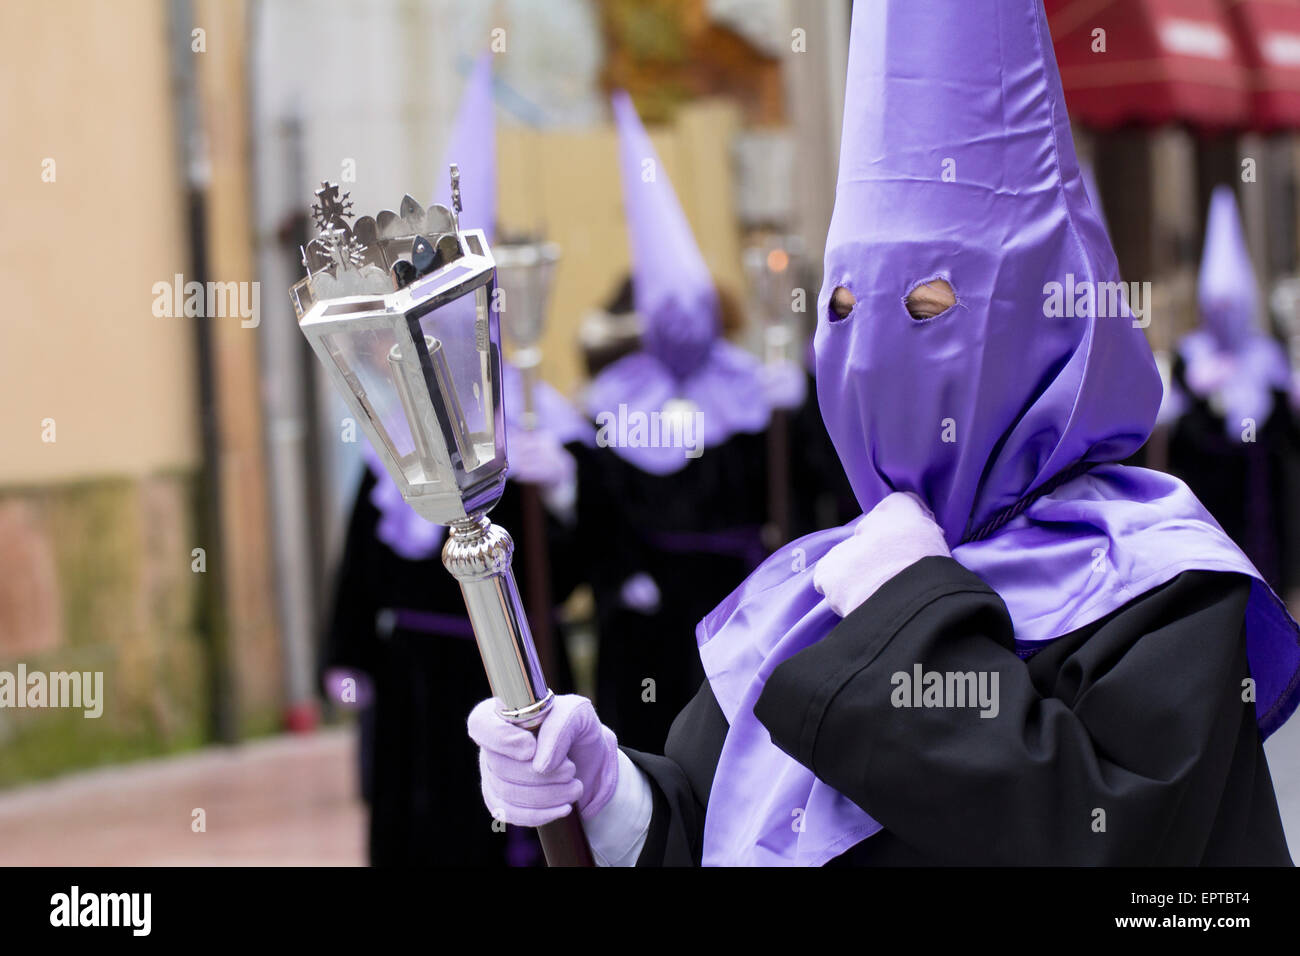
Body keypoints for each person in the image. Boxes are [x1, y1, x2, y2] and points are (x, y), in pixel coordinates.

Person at [467, 0, 1300, 866]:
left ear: (1036, 328)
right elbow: (717, 822)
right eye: (844, 306)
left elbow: (1104, 846)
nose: (874, 348)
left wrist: (913, 604)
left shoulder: (1158, 591)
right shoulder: (809, 593)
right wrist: (614, 801)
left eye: (926, 306)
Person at [321, 54, 591, 866]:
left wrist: (565, 489)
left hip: (511, 660)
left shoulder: (535, 419)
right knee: (425, 821)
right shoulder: (391, 433)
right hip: (417, 674)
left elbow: (575, 568)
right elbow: (362, 565)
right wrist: (348, 658)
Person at [572, 91, 774, 754]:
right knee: (659, 743)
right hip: (652, 614)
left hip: (743, 594)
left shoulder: (754, 394)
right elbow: (603, 508)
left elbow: (795, 484)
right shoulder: (614, 405)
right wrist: (618, 575)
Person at [1164, 186, 1300, 593]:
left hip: (1266, 513)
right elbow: (1180, 438)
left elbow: (1287, 437)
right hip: (1213, 507)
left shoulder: (1266, 356)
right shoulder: (1192, 358)